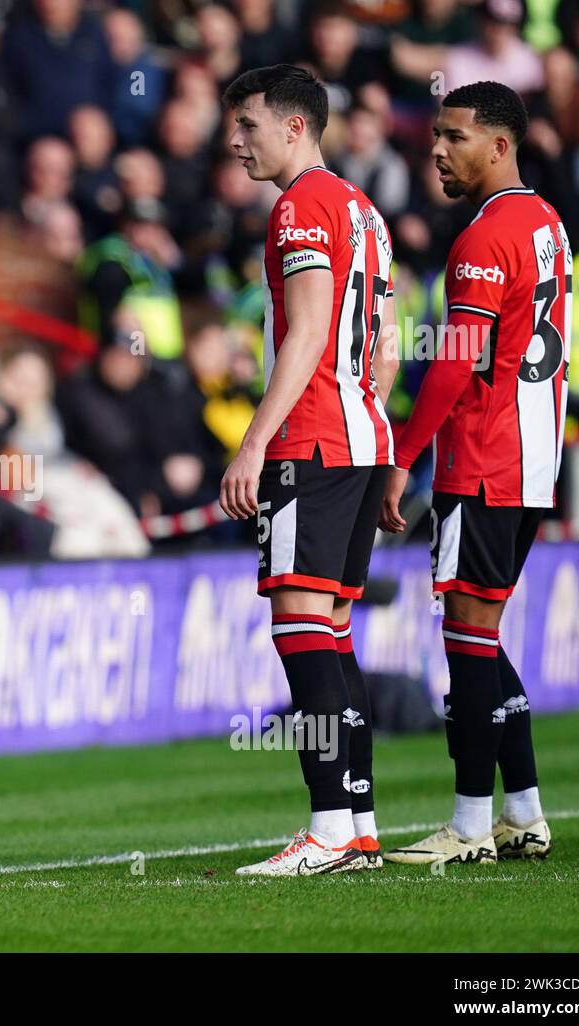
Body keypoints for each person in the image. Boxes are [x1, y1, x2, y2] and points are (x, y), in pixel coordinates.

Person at [381, 82, 570, 866]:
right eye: (434, 135)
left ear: (500, 145)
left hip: (483, 463)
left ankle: (466, 829)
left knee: (467, 641)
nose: (437, 150)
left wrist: (402, 458)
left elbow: (457, 363)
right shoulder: (549, 224)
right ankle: (522, 813)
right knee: (483, 639)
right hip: (531, 465)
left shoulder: (484, 237)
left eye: (455, 137)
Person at [218, 64, 399, 876]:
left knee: (297, 624)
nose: (236, 140)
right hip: (361, 436)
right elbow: (386, 342)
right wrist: (374, 421)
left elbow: (310, 330)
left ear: (295, 127)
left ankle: (327, 826)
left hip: (312, 438)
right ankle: (355, 825)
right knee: (330, 631)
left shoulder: (300, 206)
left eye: (248, 124)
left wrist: (256, 440)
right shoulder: (365, 211)